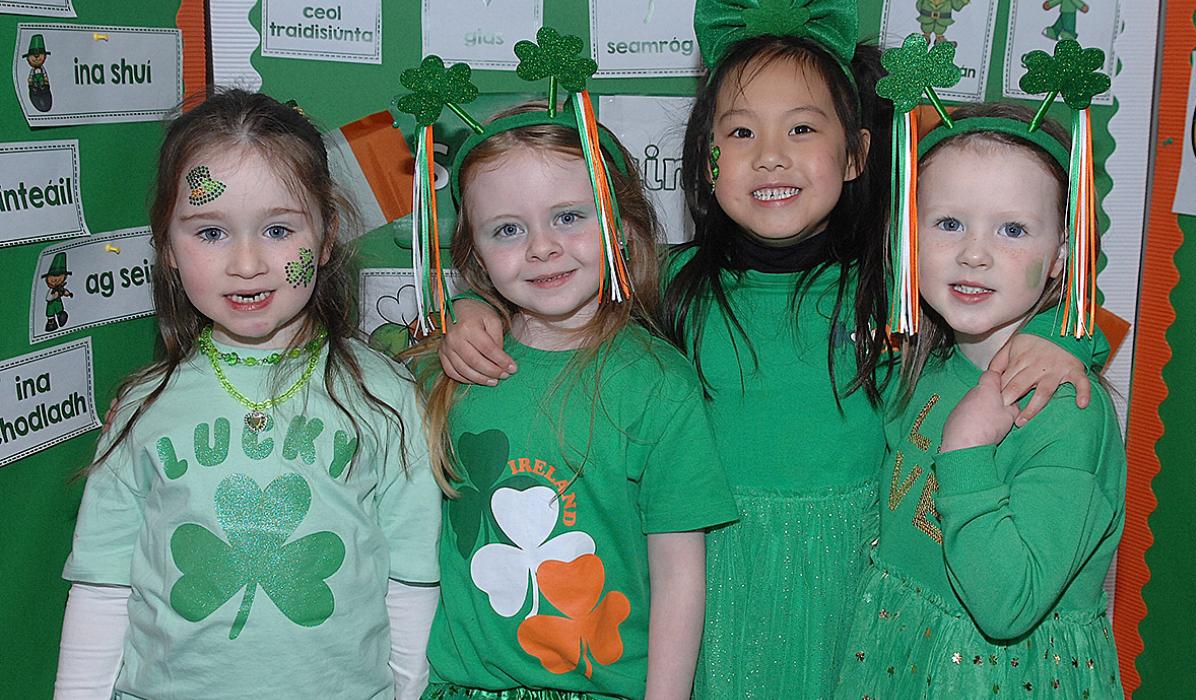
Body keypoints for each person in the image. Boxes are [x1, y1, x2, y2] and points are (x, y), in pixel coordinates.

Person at [435, 4, 1100, 696]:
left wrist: (1060, 338)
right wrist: (477, 308)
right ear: (706, 158)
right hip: (708, 586)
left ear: (856, 155)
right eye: (741, 131)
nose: (770, 154)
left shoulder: (896, 285)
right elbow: (564, 314)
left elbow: (1021, 299)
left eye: (802, 128)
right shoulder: (671, 285)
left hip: (853, 588)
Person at [54, 89, 442, 700]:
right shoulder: (143, 409)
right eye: (210, 232)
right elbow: (103, 589)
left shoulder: (386, 399)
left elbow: (412, 582)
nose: (246, 263)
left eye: (278, 229)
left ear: (327, 235)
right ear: (167, 248)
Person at [406, 97, 737, 700]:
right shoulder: (448, 372)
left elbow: (679, 576)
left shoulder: (659, 385)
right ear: (473, 252)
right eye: (508, 229)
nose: (541, 247)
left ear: (622, 225)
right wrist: (463, 309)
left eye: (568, 216)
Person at [833, 103, 1124, 698]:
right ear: (908, 234)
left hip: (999, 677)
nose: (974, 253)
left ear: (1062, 253)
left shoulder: (1065, 411)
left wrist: (965, 449)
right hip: (898, 650)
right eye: (948, 223)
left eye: (1012, 230)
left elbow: (1009, 605)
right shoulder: (924, 364)